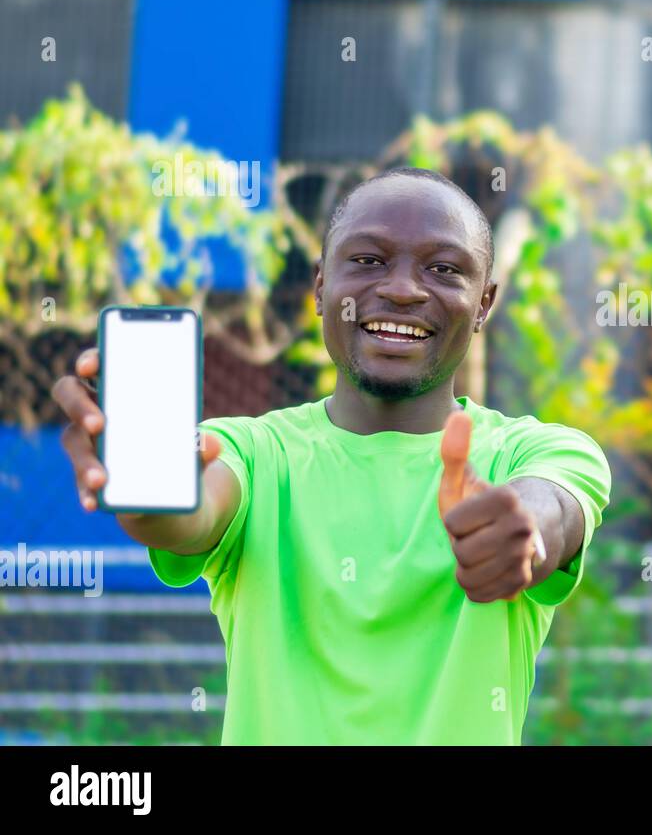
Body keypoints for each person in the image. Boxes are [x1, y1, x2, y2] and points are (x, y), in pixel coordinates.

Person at [51, 167, 611, 744]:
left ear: (485, 303)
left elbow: (550, 506)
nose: (402, 289)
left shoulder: (537, 452)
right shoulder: (254, 451)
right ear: (320, 287)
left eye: (443, 269)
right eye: (368, 260)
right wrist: (143, 472)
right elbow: (181, 514)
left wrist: (521, 529)